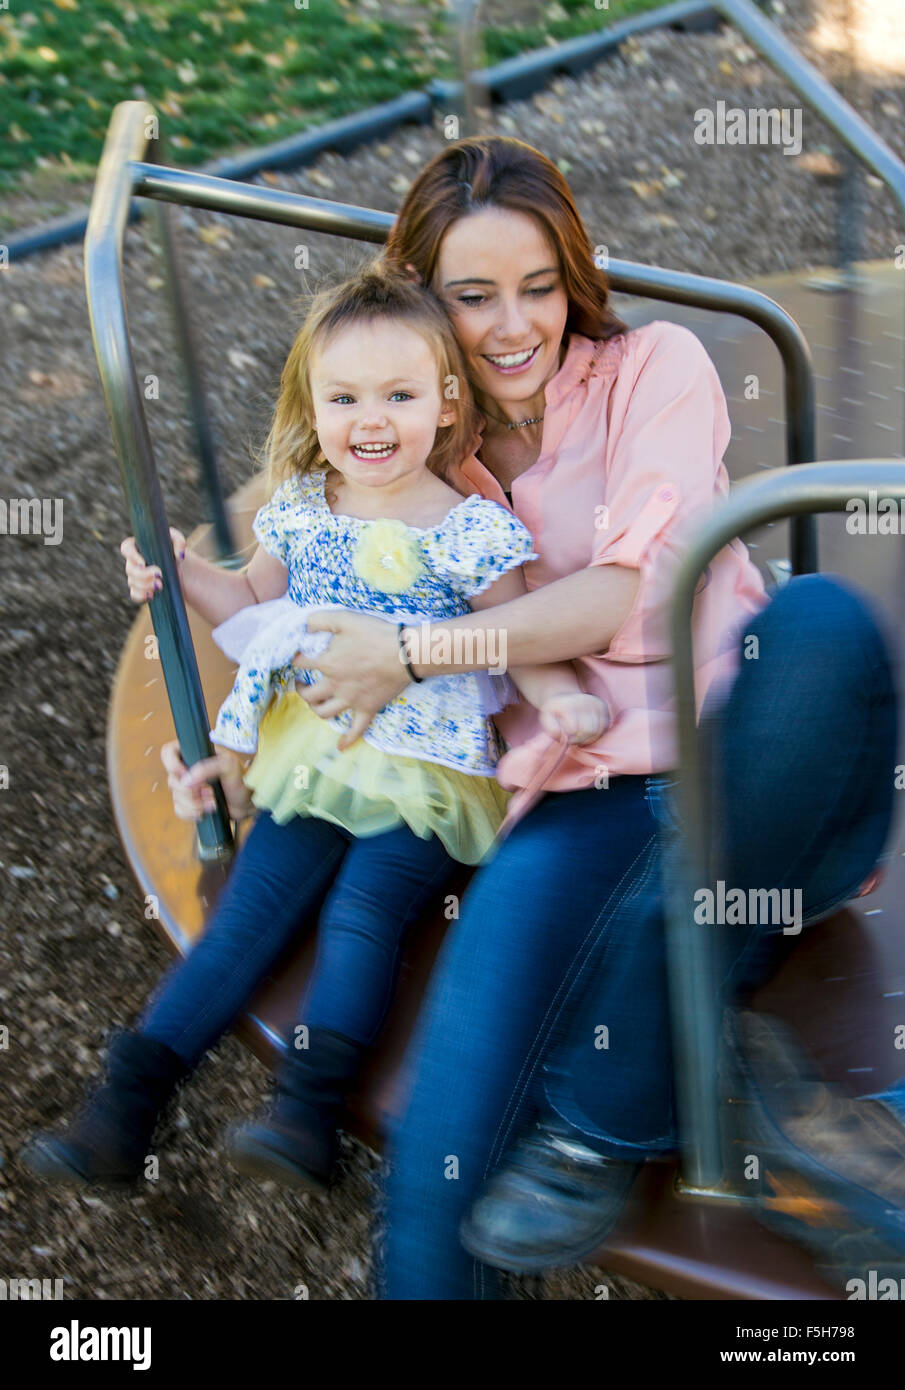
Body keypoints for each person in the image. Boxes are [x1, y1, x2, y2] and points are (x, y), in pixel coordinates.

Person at [277, 137, 899, 1298]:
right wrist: (224, 746)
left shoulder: (655, 368)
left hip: (748, 766)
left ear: (572, 277)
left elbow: (633, 590)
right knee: (439, 1159)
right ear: (422, 299)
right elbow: (300, 600)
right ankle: (683, 1047)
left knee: (816, 621)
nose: (514, 326)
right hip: (576, 802)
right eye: (471, 298)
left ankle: (610, 1117)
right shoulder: (412, 449)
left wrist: (414, 651)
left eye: (538, 286)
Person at [20, 261, 608, 1195]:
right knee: (247, 914)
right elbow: (250, 599)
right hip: (314, 749)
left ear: (447, 401)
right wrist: (178, 573)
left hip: (425, 768)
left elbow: (506, 631)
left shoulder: (467, 526)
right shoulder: (299, 506)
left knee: (361, 913)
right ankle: (124, 1105)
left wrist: (558, 691)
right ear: (312, 402)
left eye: (399, 395)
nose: (370, 421)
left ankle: (307, 1111)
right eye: (345, 398)